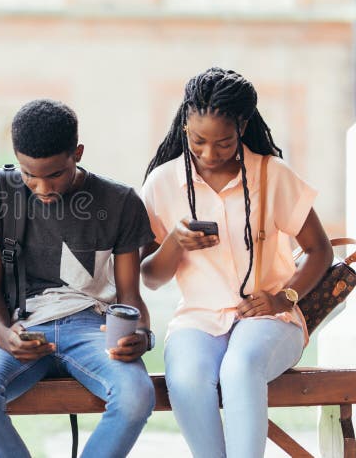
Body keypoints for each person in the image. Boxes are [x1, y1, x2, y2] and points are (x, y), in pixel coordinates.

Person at [140, 67, 333, 457]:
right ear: (184, 127)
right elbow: (151, 277)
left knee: (240, 367)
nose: (209, 155)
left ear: (242, 126)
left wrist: (285, 297)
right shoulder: (163, 182)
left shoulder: (272, 174)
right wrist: (175, 243)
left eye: (223, 144)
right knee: (189, 378)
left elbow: (320, 251)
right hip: (198, 317)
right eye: (197, 142)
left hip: (269, 319)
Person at [0, 99, 156, 458]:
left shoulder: (120, 201)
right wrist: (5, 336)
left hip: (93, 326)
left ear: (77, 153)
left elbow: (130, 296)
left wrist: (141, 334)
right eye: (29, 174)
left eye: (54, 175)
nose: (42, 187)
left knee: (136, 396)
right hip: (24, 325)